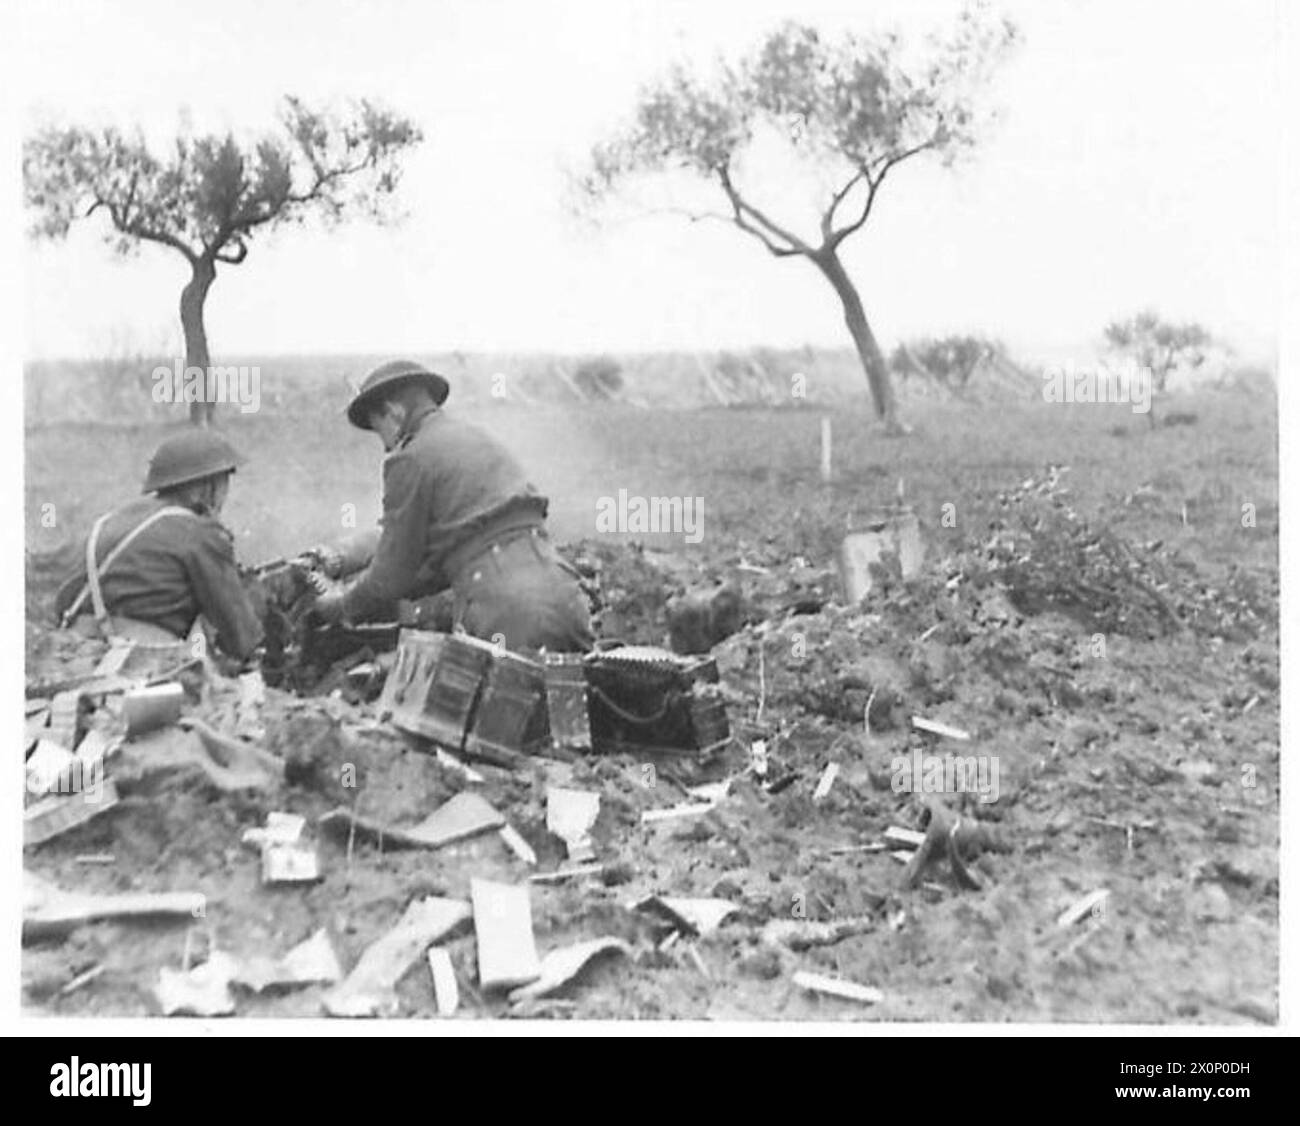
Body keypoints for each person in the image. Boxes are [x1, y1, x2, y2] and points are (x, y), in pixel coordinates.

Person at [312, 359, 593, 653]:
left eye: (378, 427)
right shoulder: (474, 437)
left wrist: (339, 606)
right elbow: (445, 551)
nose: (384, 444)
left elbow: (391, 576)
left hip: (505, 610)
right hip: (565, 595)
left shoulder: (410, 458)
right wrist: (344, 558)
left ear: (395, 411)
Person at [54, 430, 264, 663]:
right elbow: (241, 637)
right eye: (224, 481)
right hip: (144, 662)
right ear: (207, 486)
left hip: (74, 656)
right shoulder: (199, 533)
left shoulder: (107, 522)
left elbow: (63, 598)